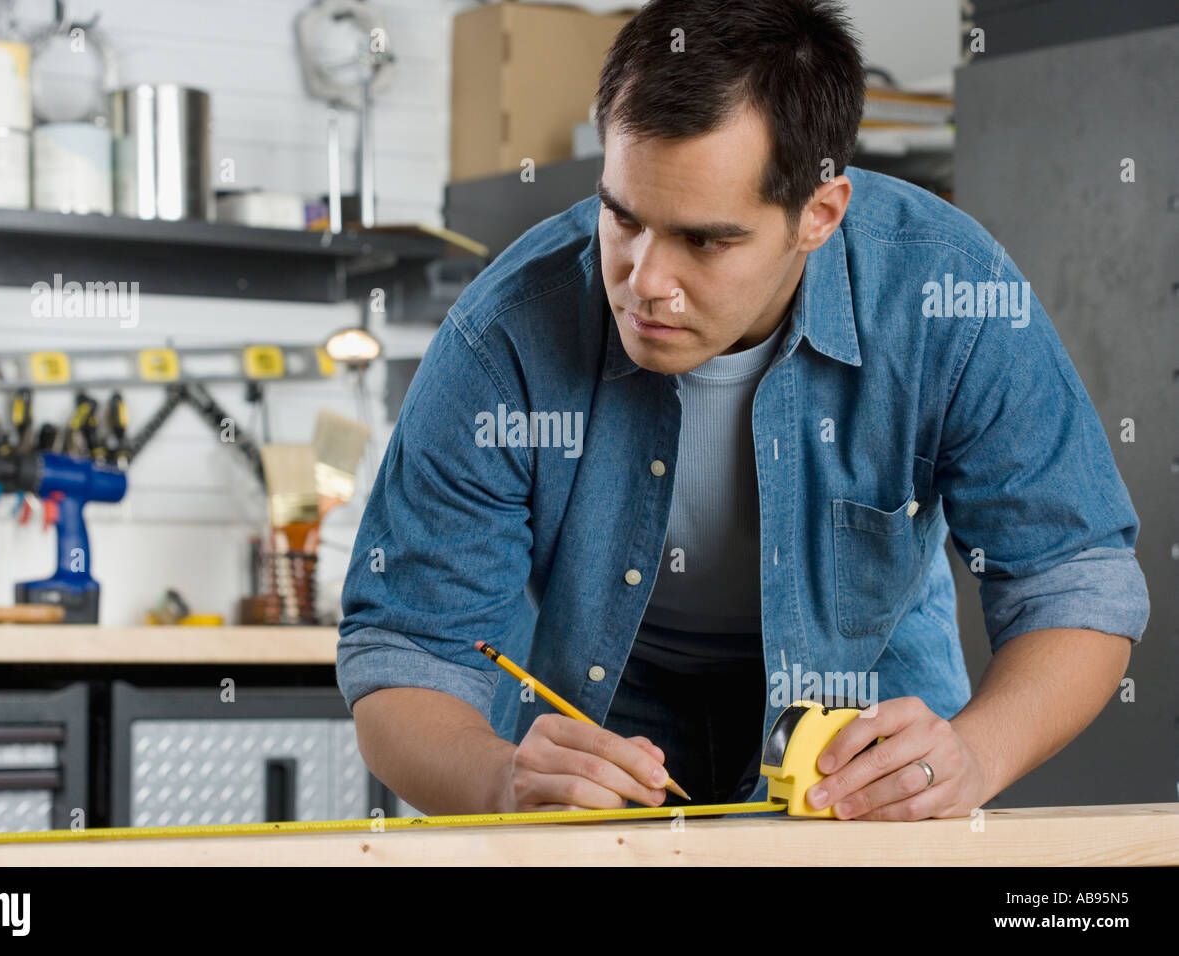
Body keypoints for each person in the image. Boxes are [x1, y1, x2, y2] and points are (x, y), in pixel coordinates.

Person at [336, 0, 1149, 820]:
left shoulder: (951, 298)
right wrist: (497, 781)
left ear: (819, 215)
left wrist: (974, 755)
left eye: (705, 240)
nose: (646, 280)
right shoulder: (504, 336)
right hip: (606, 739)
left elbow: (1073, 581)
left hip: (872, 748)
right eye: (622, 217)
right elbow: (407, 652)